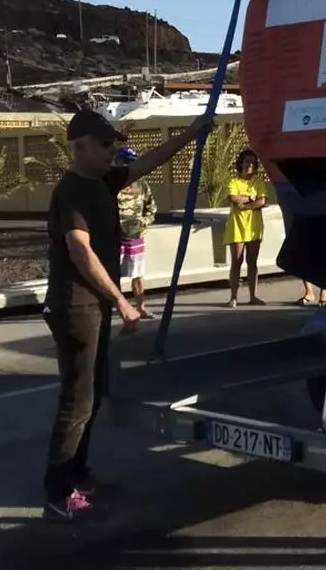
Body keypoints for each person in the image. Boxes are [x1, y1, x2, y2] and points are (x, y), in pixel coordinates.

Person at [41, 109, 211, 523]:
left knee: (93, 394)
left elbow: (151, 159)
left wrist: (192, 133)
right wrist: (121, 299)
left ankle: (78, 474)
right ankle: (59, 491)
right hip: (76, 304)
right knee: (78, 400)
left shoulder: (104, 181)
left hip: (92, 303)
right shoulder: (73, 191)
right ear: (78, 147)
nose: (111, 150)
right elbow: (80, 253)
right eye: (103, 144)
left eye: (112, 143)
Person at [225, 148, 271, 307]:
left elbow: (263, 201)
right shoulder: (233, 181)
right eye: (247, 162)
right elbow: (233, 198)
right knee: (236, 261)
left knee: (252, 261)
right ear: (241, 163)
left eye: (252, 163)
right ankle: (233, 296)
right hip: (237, 226)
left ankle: (253, 295)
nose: (250, 165)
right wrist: (251, 198)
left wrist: (246, 204)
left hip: (254, 226)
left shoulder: (258, 182)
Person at [115, 146, 157, 320]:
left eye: (131, 163)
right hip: (114, 239)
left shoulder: (142, 184)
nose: (128, 166)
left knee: (138, 274)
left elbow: (151, 207)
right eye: (124, 162)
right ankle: (119, 309)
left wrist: (143, 223)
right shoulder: (111, 184)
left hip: (136, 238)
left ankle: (141, 308)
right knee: (112, 276)